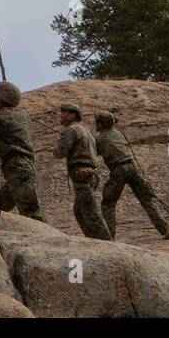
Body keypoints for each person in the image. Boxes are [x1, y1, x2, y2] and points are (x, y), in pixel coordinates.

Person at [94, 111, 169, 239]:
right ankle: (166, 230)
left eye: (96, 122)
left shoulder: (99, 139)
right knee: (147, 200)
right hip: (133, 167)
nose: (95, 125)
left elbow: (93, 152)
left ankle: (108, 236)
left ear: (101, 124)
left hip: (118, 170)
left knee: (108, 203)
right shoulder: (118, 133)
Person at [0, 82, 45, 222]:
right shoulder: (22, 115)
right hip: (24, 167)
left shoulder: (1, 117)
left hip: (17, 167)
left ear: (2, 97)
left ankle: (48, 242)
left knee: (31, 212)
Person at [54, 103, 112, 240]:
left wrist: (58, 145)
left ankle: (107, 243)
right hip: (89, 174)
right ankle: (93, 240)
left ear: (73, 115)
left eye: (64, 113)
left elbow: (60, 153)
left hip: (81, 174)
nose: (61, 115)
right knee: (79, 211)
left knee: (91, 213)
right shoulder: (86, 131)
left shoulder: (71, 130)